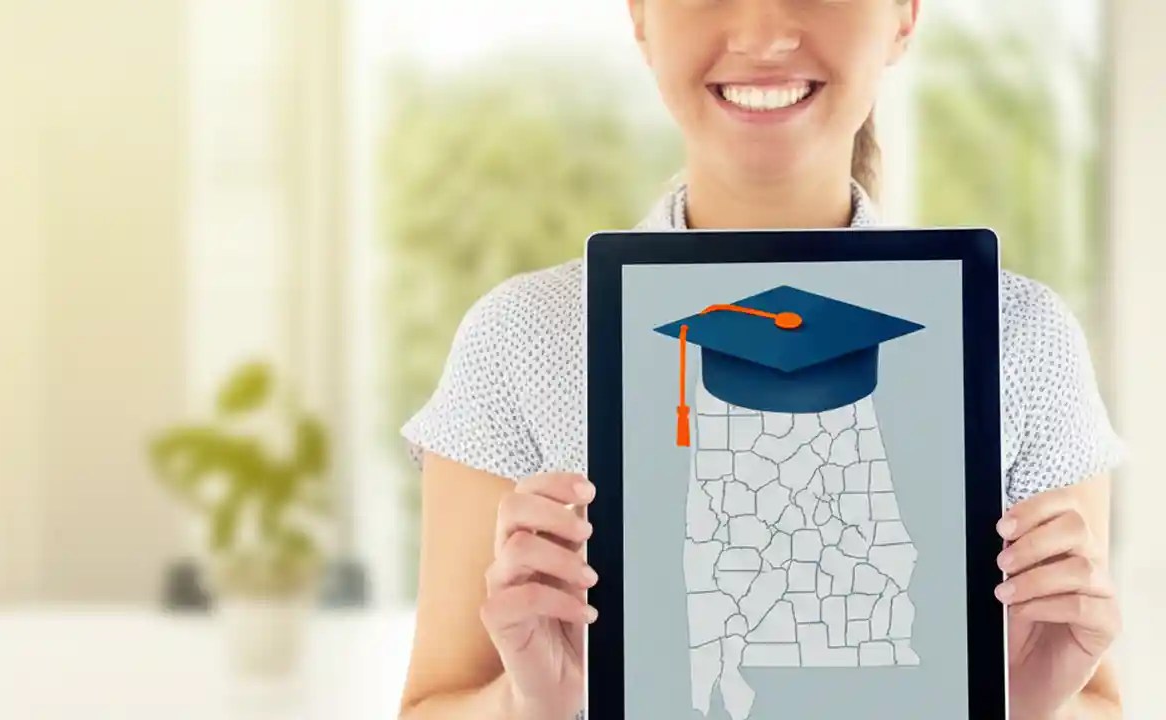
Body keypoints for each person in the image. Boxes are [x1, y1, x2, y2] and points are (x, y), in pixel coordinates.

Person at [396, 1, 1126, 718]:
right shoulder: (524, 340)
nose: (765, 33)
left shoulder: (1017, 339)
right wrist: (529, 705)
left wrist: (1027, 702)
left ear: (904, 14)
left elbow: (1094, 702)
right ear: (640, 15)